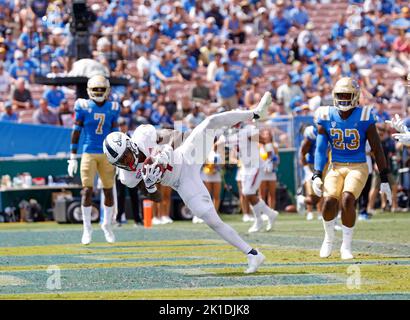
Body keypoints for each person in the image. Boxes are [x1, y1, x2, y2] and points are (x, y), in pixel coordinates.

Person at [103, 92, 275, 274]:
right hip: (182, 181)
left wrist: (166, 151)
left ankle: (255, 113)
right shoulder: (127, 177)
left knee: (211, 122)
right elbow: (157, 198)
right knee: (211, 219)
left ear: (130, 145)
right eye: (121, 161)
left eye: (127, 155)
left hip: (186, 155)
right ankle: (253, 254)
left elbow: (178, 135)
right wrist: (151, 186)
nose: (127, 162)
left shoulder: (143, 136)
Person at [312, 77, 392, 260]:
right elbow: (321, 147)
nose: (344, 98)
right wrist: (316, 173)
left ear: (355, 96)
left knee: (347, 198)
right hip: (335, 166)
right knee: (329, 201)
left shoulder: (364, 115)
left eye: (347, 95)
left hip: (358, 166)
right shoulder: (325, 115)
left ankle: (346, 246)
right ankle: (329, 239)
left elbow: (377, 149)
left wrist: (384, 177)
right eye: (340, 95)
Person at [67, 75, 120, 245]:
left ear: (107, 90)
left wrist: (118, 157)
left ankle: (106, 225)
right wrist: (73, 156)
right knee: (86, 191)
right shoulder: (83, 106)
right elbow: (75, 132)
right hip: (89, 151)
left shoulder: (112, 107)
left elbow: (116, 134)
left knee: (108, 190)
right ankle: (87, 227)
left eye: (101, 89)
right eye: (95, 89)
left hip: (107, 153)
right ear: (89, 90)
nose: (98, 92)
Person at [115, 118, 142, 227]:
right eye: (120, 125)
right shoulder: (115, 138)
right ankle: (119, 219)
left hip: (131, 171)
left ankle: (137, 219)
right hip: (119, 171)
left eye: (124, 124)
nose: (122, 127)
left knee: (134, 195)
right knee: (120, 196)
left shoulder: (131, 138)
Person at [259, 128, 279, 213]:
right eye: (265, 134)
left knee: (272, 193)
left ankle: (271, 212)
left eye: (268, 134)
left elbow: (277, 159)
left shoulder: (274, 146)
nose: (266, 136)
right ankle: (263, 212)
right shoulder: (258, 146)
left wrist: (272, 166)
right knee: (262, 194)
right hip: (261, 173)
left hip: (271, 173)